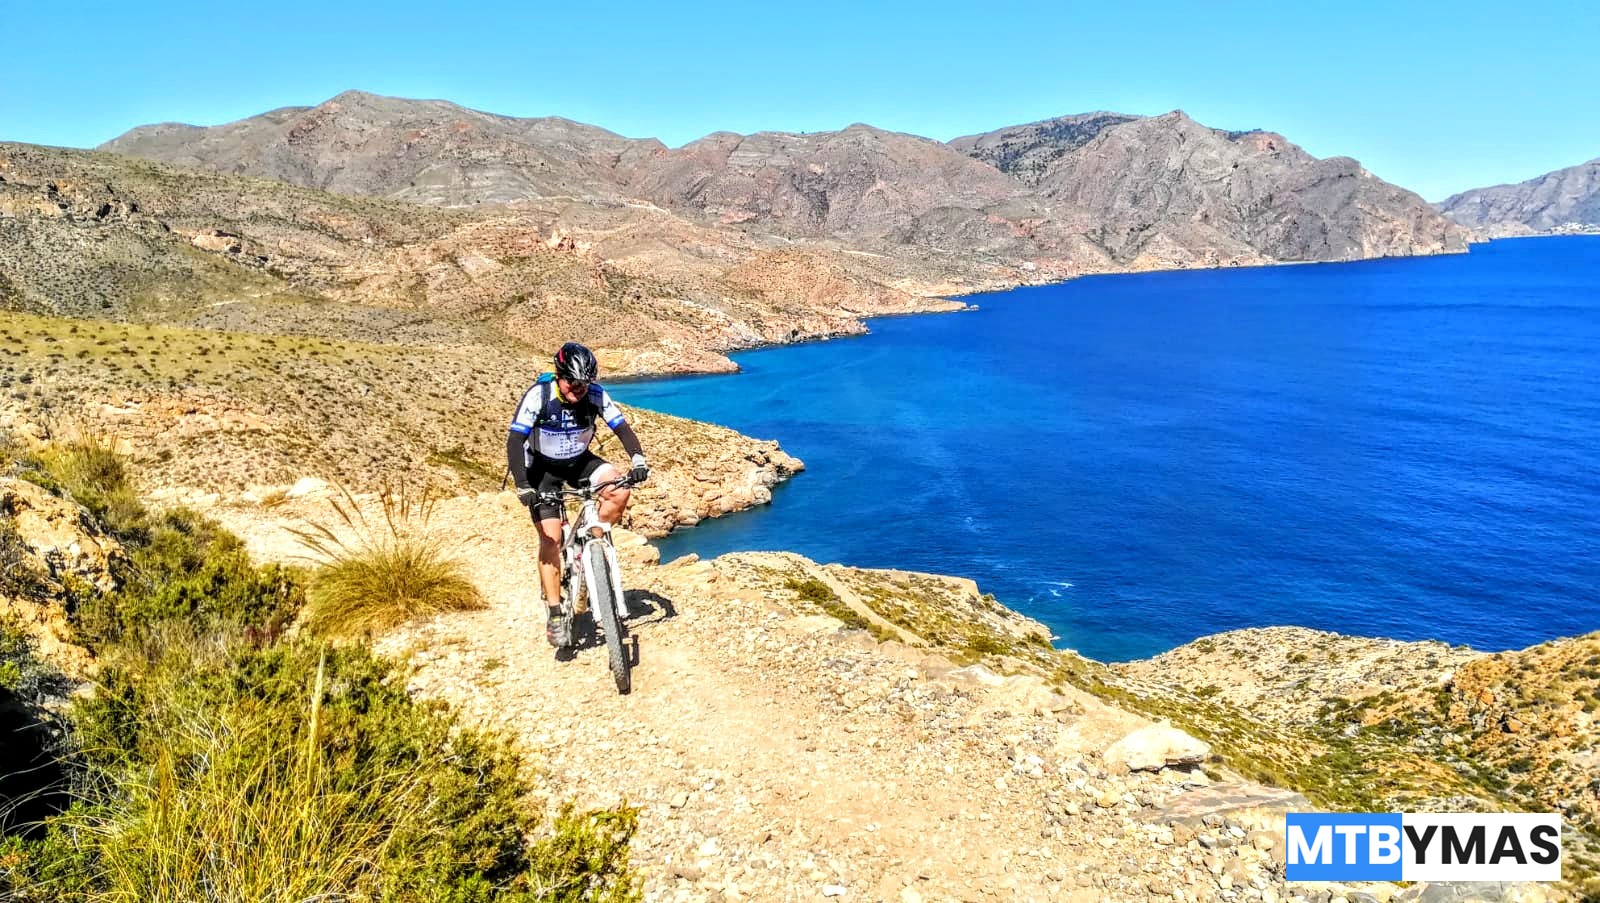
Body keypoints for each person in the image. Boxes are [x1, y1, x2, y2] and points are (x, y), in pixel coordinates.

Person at [506, 342, 649, 646]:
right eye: (572, 382)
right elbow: (515, 440)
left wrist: (638, 460)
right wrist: (523, 484)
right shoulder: (539, 396)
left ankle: (592, 550)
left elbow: (621, 427)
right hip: (542, 471)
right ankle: (555, 613)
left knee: (619, 489)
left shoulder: (595, 394)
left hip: (580, 462)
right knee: (551, 540)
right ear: (559, 376)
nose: (579, 388)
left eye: (585, 383)